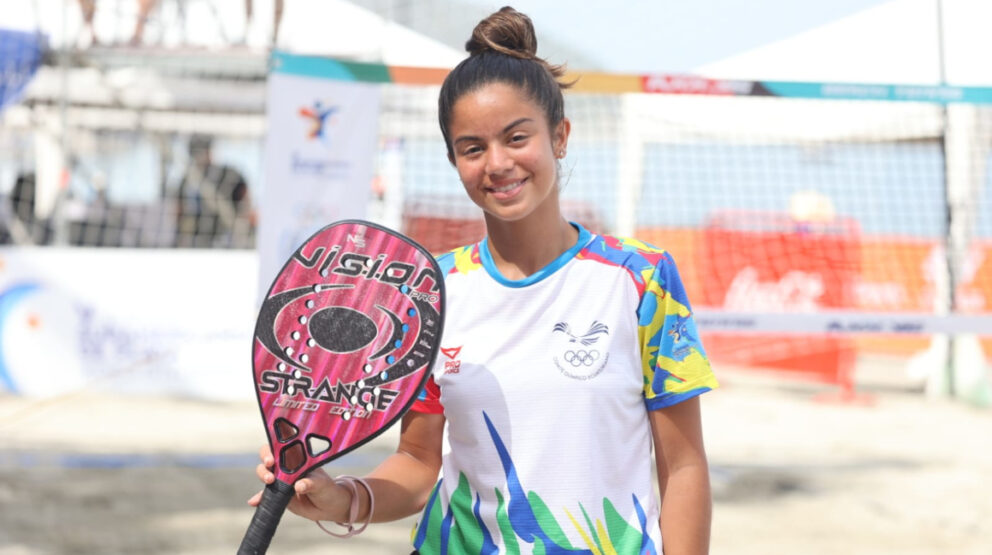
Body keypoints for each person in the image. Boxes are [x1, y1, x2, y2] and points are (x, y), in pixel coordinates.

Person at [251, 6, 718, 554]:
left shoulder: (641, 279)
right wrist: (345, 498)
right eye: (472, 148)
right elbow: (420, 462)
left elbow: (683, 467)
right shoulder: (429, 293)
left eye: (516, 137)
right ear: (454, 160)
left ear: (560, 137)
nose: (497, 163)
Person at [174, 134, 254, 248]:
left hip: (226, 238)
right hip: (197, 241)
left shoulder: (229, 174)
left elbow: (245, 199)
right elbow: (179, 211)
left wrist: (242, 227)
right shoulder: (187, 181)